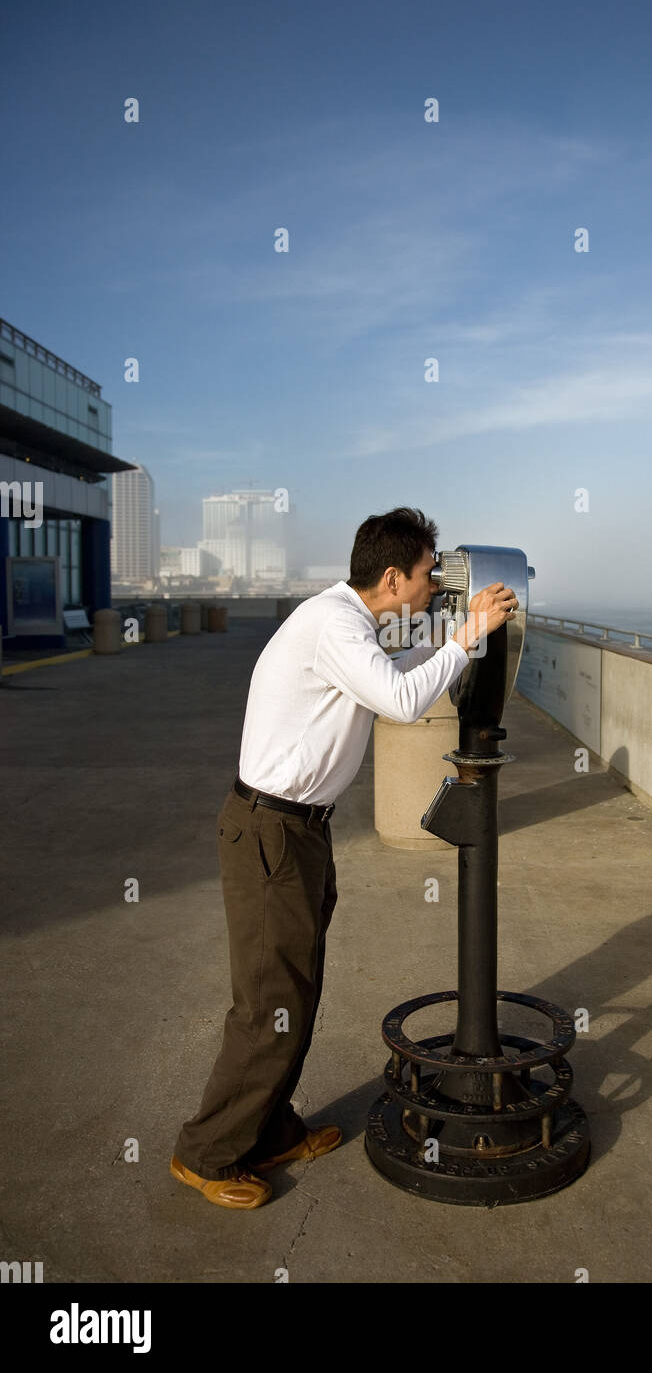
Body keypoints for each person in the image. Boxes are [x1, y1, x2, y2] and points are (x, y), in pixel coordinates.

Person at [170, 506, 518, 1208]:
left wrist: (453, 639)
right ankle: (207, 1154)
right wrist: (472, 633)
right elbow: (397, 699)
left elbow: (395, 670)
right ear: (392, 578)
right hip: (271, 833)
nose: (431, 589)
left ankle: (268, 1131)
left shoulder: (348, 622)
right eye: (426, 576)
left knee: (295, 994)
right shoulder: (334, 625)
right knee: (267, 1002)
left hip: (298, 832)